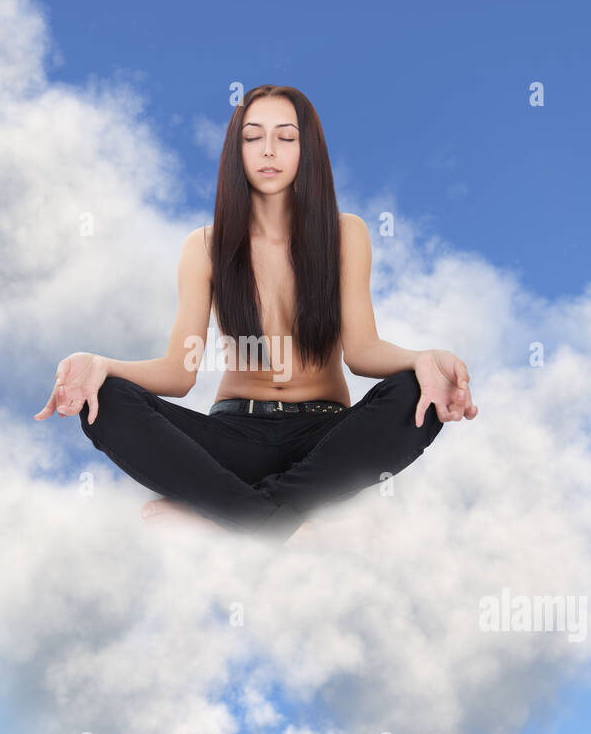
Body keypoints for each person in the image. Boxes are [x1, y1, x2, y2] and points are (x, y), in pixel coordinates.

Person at [35, 85, 477, 544]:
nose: (269, 150)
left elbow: (363, 352)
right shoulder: (203, 246)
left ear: (307, 150)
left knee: (414, 392)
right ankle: (267, 517)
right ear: (236, 150)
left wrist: (424, 358)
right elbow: (178, 373)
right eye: (253, 137)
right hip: (233, 440)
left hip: (325, 444)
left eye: (286, 137)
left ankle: (230, 511)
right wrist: (102, 366)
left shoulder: (348, 234)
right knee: (103, 401)